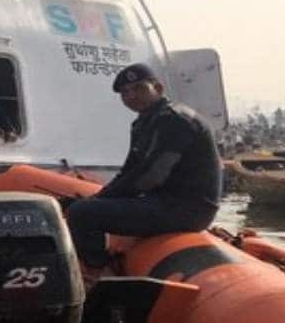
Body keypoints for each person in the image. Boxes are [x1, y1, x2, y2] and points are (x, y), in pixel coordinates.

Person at [65, 63, 221, 273]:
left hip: (187, 209)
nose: (131, 96)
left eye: (139, 88)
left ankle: (96, 272)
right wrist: (100, 198)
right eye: (125, 93)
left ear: (158, 88)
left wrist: (95, 202)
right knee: (85, 206)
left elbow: (152, 176)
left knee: (80, 213)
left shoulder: (174, 120)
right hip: (166, 201)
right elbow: (129, 172)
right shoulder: (146, 122)